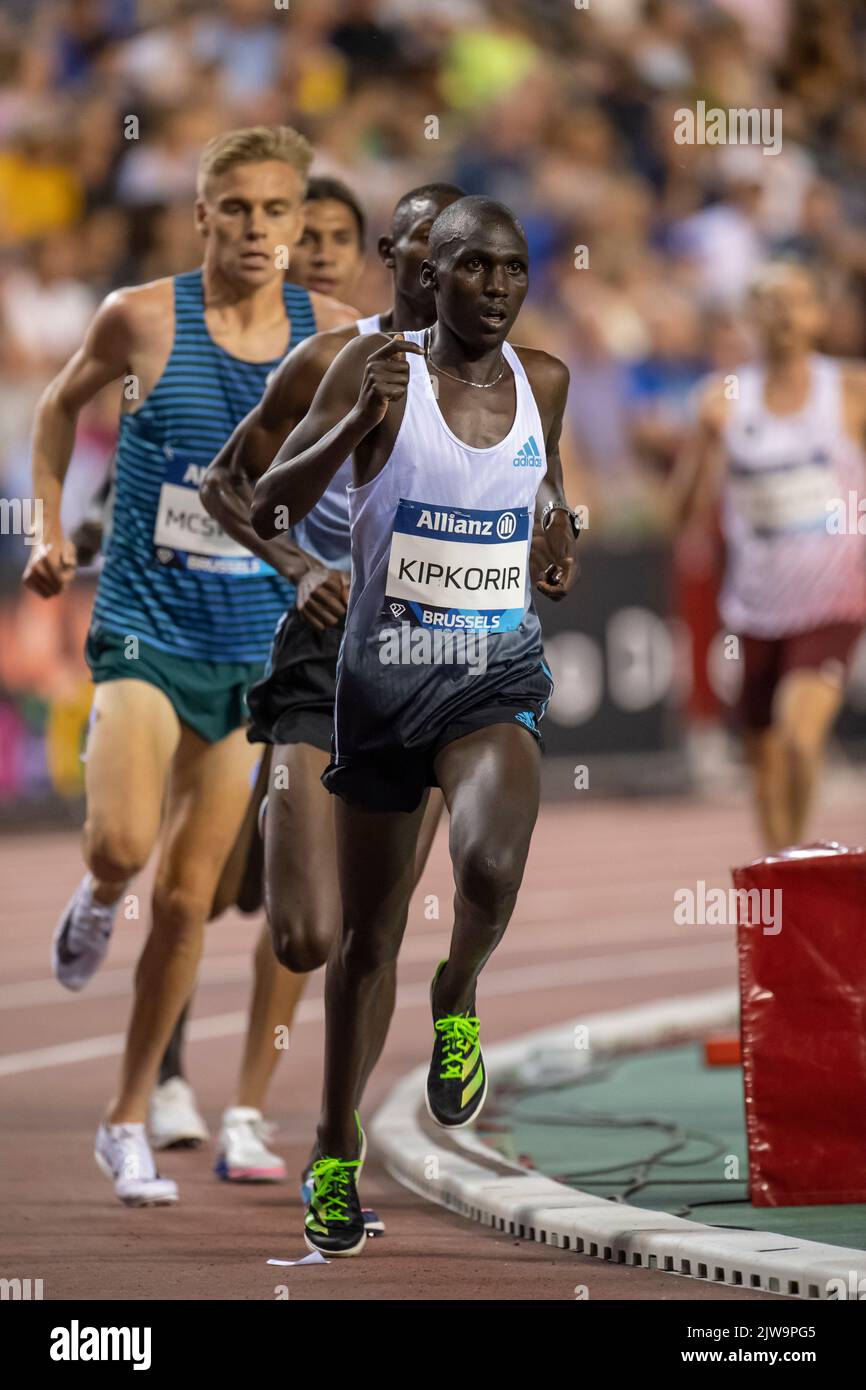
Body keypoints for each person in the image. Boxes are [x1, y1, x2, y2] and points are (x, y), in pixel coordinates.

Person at [22, 126, 358, 1206]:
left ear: (300, 220)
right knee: (123, 843)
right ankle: (93, 888)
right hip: (141, 628)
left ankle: (125, 1117)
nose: (260, 230)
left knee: (185, 903)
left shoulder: (338, 335)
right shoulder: (141, 317)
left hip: (252, 658)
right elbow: (55, 407)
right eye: (239, 209)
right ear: (201, 215)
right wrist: (46, 527)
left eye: (278, 212)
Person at [251, 195, 580, 1254]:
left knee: (487, 863)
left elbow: (547, 490)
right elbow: (267, 503)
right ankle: (334, 1149)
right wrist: (352, 425)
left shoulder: (547, 381)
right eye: (471, 268)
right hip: (384, 683)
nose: (493, 286)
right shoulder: (370, 372)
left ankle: (458, 990)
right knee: (361, 940)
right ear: (426, 276)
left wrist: (556, 535)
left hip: (494, 674)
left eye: (510, 269)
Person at [200, 182, 465, 1188]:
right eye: (426, 253)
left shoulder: (504, 382)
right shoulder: (329, 358)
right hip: (325, 658)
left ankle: (335, 1151)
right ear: (389, 258)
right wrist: (303, 568)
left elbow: (537, 499)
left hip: (440, 667)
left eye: (471, 257)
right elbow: (228, 487)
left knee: (376, 931)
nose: (448, 275)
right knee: (307, 934)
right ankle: (272, 799)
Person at [670, 261, 866, 849]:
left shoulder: (852, 391)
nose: (782, 313)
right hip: (754, 605)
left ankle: (797, 856)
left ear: (817, 316)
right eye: (769, 303)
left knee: (800, 739)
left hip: (834, 599)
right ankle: (781, 868)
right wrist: (703, 444)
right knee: (764, 761)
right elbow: (679, 513)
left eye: (796, 300)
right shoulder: (723, 399)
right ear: (750, 319)